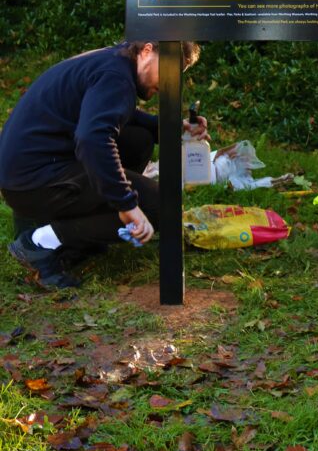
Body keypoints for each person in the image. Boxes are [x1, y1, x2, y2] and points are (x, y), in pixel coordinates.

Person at [0, 41, 205, 289]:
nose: (168, 83)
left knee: (139, 139)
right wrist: (126, 203)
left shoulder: (115, 61)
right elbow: (92, 139)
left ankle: (80, 235)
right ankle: (39, 241)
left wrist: (174, 128)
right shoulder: (116, 77)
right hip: (34, 182)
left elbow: (118, 116)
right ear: (148, 50)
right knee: (163, 205)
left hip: (28, 170)